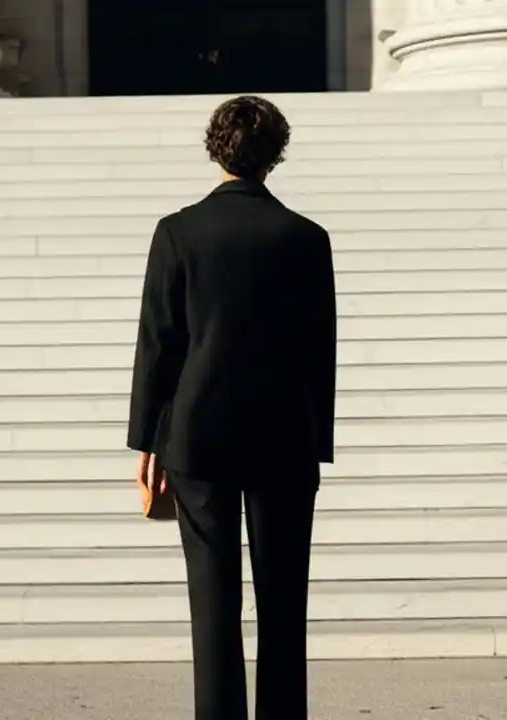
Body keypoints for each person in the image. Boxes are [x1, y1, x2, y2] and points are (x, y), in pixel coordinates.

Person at [126, 95, 338, 720]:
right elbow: (318, 351)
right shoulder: (307, 238)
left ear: (215, 148)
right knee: (282, 606)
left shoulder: (178, 232)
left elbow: (158, 342)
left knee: (211, 606)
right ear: (276, 154)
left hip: (197, 438)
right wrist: (316, 440)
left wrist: (148, 440)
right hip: (283, 439)